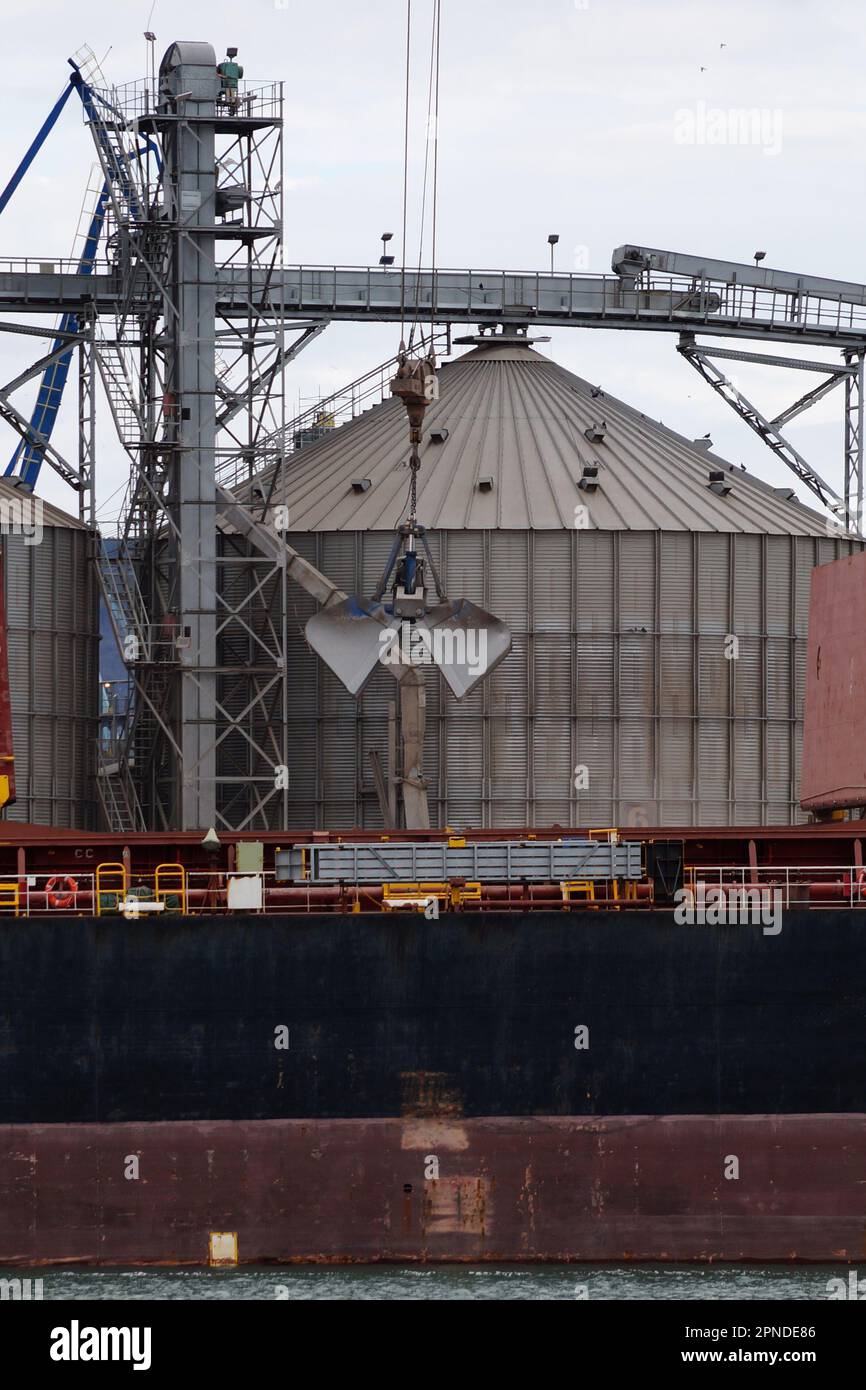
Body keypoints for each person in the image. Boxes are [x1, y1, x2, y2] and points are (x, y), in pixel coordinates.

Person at [216, 48, 244, 115]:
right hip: (229, 84)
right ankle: (231, 104)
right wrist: (224, 77)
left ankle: (231, 104)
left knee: (231, 96)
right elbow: (216, 74)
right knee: (230, 96)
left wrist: (224, 77)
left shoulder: (220, 68)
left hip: (228, 85)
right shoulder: (219, 71)